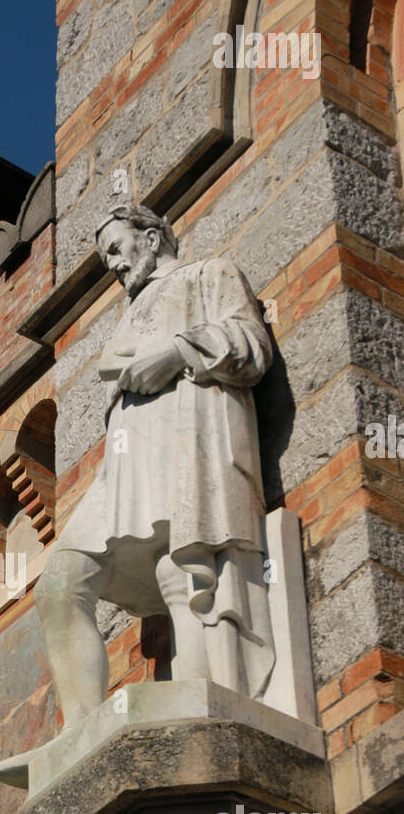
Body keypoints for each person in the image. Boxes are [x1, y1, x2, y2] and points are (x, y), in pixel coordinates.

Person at [34, 202, 275, 732]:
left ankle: (203, 708)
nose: (114, 265)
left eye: (116, 249)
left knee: (180, 566)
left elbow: (252, 347)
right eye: (104, 258)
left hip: (190, 439)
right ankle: (81, 733)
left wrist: (176, 351)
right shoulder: (130, 311)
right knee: (59, 581)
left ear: (150, 235)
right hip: (126, 460)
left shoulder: (208, 274)